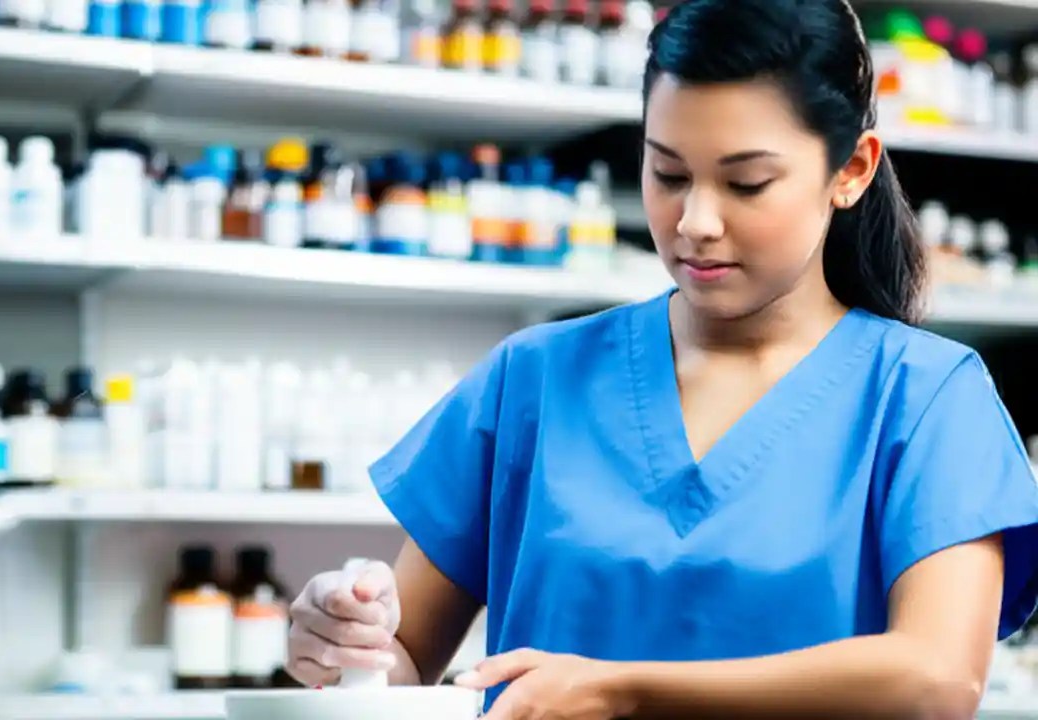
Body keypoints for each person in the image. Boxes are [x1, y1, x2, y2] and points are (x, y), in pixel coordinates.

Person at [287, 0, 1038, 716]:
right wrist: (345, 645)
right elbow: (405, 664)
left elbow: (937, 679)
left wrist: (623, 690)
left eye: (747, 183)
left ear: (852, 170)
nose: (695, 222)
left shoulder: (926, 398)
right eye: (668, 174)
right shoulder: (535, 381)